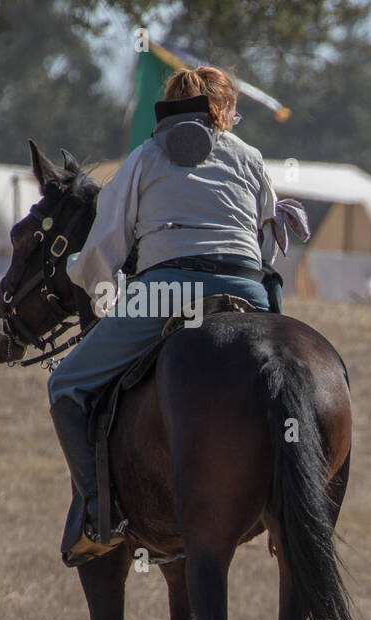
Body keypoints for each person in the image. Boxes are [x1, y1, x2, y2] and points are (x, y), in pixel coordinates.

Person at [50, 66, 278, 567]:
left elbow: (105, 245)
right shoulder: (250, 157)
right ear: (222, 109)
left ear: (171, 105)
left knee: (64, 386)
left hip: (165, 294)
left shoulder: (144, 157)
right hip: (247, 292)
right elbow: (266, 250)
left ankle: (98, 516)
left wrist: (90, 283)